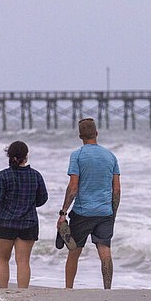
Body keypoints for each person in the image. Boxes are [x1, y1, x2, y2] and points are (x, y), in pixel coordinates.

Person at [58, 118, 121, 289]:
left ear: (80, 136)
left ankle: (69, 289)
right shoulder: (110, 156)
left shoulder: (77, 155)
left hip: (82, 213)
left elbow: (73, 187)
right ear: (97, 133)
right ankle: (107, 289)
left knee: (74, 251)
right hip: (104, 212)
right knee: (105, 250)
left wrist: (63, 212)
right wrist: (112, 213)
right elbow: (116, 189)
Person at [0, 141, 48, 289]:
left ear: (9, 156)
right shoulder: (35, 175)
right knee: (23, 261)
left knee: (2, 260)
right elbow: (43, 198)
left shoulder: (3, 175)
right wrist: (29, 204)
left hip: (5, 223)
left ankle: (3, 291)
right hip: (29, 223)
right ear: (26, 157)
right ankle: (22, 293)